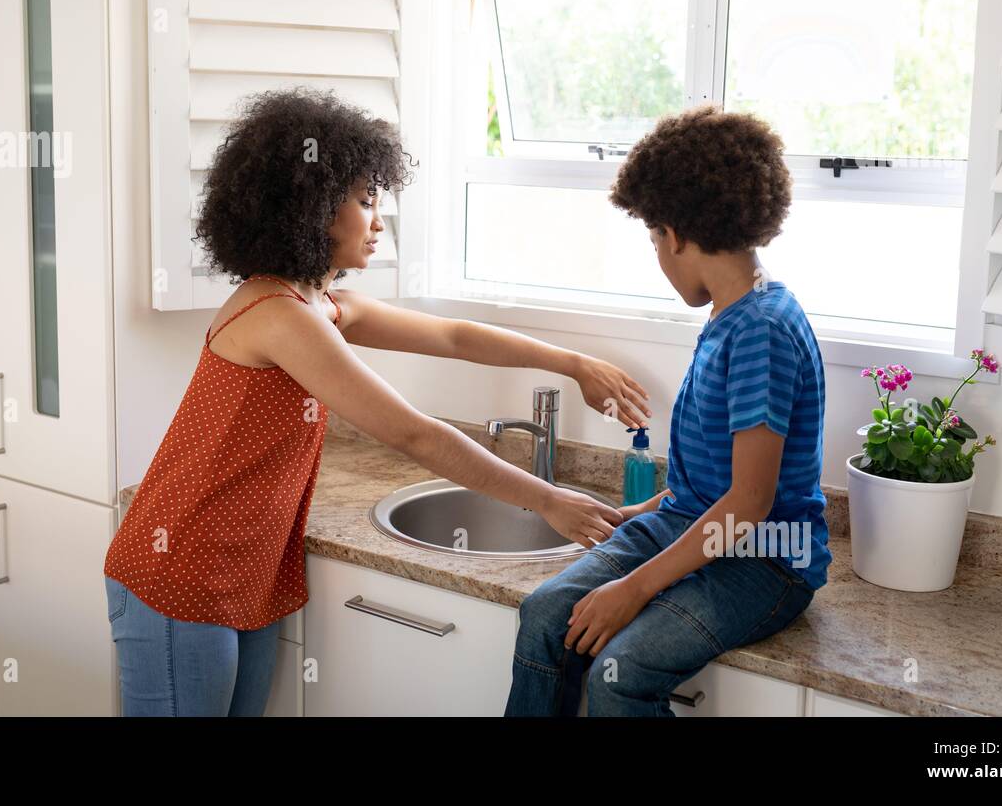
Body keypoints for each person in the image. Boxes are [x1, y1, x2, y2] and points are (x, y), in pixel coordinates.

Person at [103, 88, 650, 716]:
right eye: (365, 201)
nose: (379, 220)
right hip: (179, 574)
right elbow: (415, 435)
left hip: (243, 575)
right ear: (310, 208)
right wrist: (546, 498)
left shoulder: (321, 304)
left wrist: (573, 362)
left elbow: (452, 335)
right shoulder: (276, 314)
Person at [504, 104, 832, 717]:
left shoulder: (761, 329)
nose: (657, 252)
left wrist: (631, 588)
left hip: (766, 560)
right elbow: (706, 484)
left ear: (676, 233)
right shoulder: (728, 312)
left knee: (616, 674)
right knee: (545, 614)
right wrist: (637, 513)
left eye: (653, 237)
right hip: (690, 524)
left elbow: (750, 503)